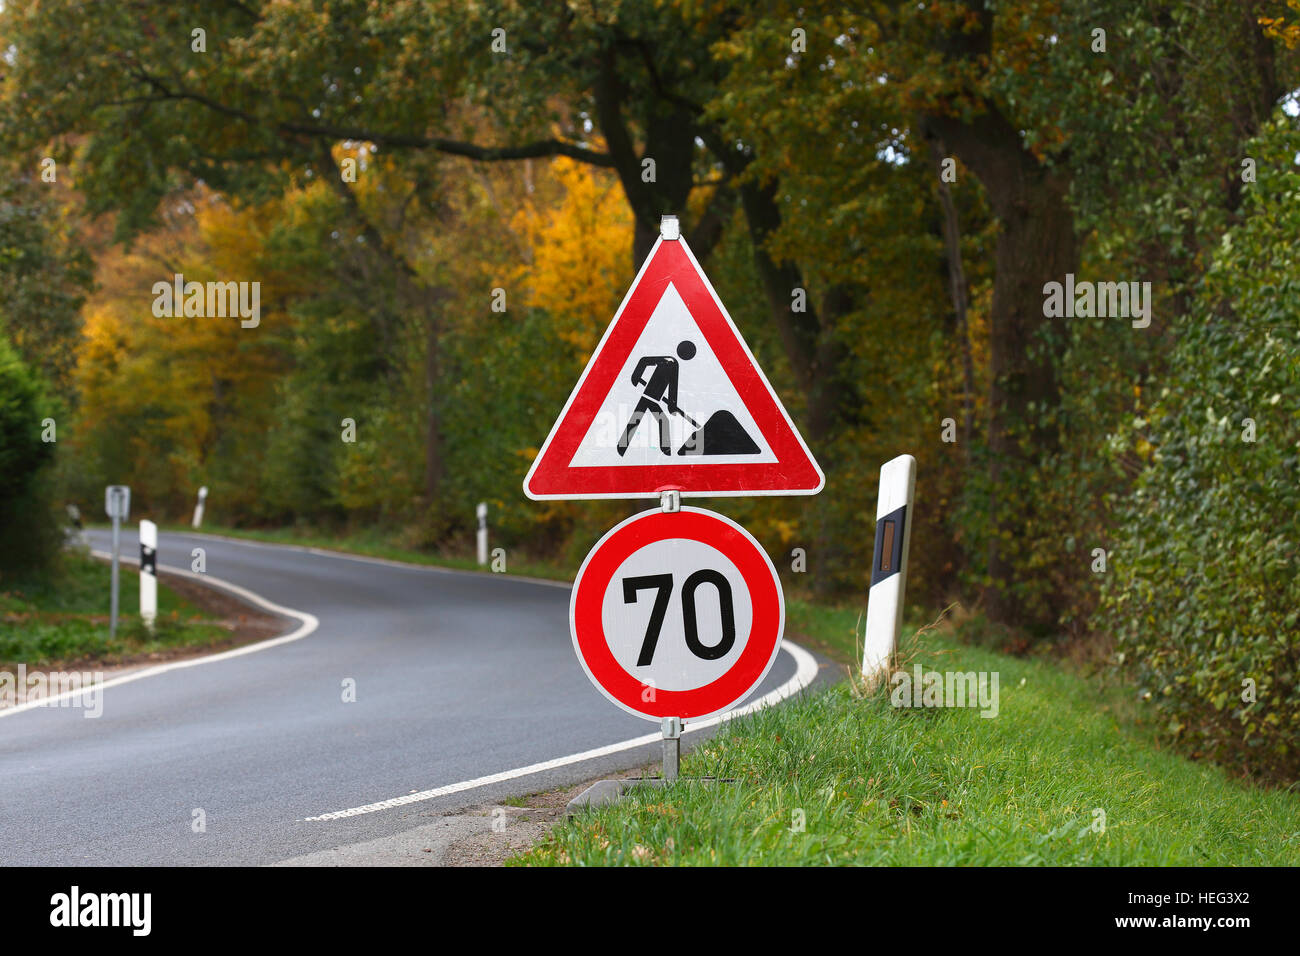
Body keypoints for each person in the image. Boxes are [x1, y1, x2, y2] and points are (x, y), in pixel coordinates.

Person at [617, 340, 697, 456]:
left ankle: (622, 447)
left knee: (649, 419)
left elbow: (672, 389)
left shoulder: (673, 364)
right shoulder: (669, 360)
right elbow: (644, 361)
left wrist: (672, 406)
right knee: (657, 420)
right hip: (647, 396)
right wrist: (636, 377)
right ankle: (665, 451)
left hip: (652, 398)